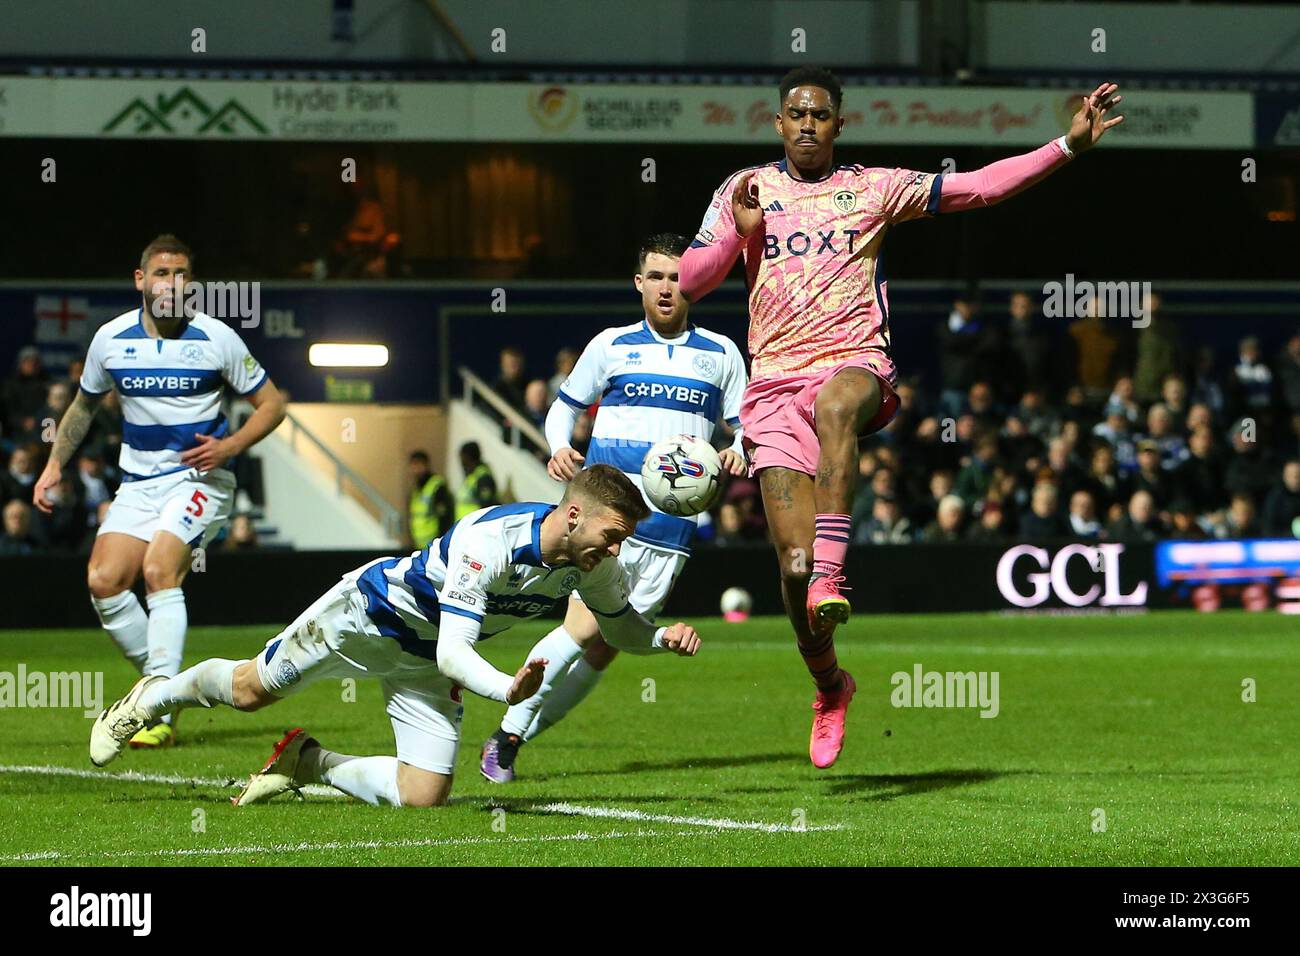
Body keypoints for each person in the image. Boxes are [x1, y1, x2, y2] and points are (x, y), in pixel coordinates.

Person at [678, 64, 1123, 767]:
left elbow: (977, 188)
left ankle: (835, 570)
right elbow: (692, 282)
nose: (806, 124)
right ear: (776, 122)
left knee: (834, 413)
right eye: (795, 112)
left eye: (819, 114)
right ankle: (830, 685)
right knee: (791, 576)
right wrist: (740, 233)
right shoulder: (744, 189)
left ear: (839, 124)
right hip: (770, 389)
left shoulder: (873, 187)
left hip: (854, 364)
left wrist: (1064, 147)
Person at [89, 466, 702, 808]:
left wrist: (658, 641)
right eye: (613, 534)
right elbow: (455, 653)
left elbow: (620, 625)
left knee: (423, 796)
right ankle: (154, 696)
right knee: (250, 691)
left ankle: (310, 762)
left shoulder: (598, 564)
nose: (618, 550)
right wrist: (507, 689)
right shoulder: (486, 542)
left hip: (426, 658)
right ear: (573, 516)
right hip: (367, 616)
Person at [479, 233, 747, 783]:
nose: (667, 288)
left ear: (695, 281)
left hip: (670, 528)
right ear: (639, 284)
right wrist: (558, 446)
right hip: (606, 515)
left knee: (605, 649)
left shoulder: (720, 354)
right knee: (582, 630)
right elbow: (564, 407)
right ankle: (506, 736)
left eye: (677, 277)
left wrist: (739, 452)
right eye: (656, 276)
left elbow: (747, 428)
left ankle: (515, 735)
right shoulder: (611, 345)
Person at [33, 235, 286, 749]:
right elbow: (83, 409)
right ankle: (164, 685)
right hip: (139, 483)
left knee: (157, 570)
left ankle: (156, 711)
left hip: (201, 480)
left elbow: (273, 405)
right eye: (162, 273)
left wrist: (229, 446)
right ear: (141, 280)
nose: (172, 284)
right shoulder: (110, 339)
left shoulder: (217, 338)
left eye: (182, 275)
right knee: (104, 581)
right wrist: (52, 465)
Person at [407, 450, 453, 548]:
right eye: (413, 465)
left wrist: (440, 544)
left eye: (419, 464)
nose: (416, 469)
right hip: (418, 545)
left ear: (426, 465)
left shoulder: (436, 486)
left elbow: (445, 517)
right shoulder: (415, 490)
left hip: (433, 545)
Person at [454, 442, 499, 520]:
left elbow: (486, 505)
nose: (461, 460)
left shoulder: (483, 476)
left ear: (468, 456)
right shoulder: (471, 475)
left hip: (474, 524)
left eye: (462, 456)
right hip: (465, 524)